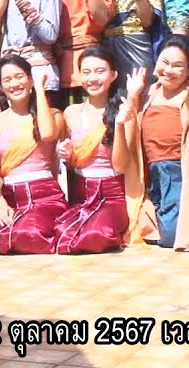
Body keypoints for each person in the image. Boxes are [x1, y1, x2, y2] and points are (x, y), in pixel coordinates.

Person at [127, 37, 189, 250]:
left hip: (186, 172)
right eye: (164, 62)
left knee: (173, 236)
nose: (169, 70)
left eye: (178, 66)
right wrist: (133, 96)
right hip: (157, 175)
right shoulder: (150, 93)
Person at [54, 46, 139, 255]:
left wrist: (118, 125)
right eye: (87, 72)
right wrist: (64, 152)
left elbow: (120, 165)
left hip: (112, 197)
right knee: (61, 231)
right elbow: (73, 161)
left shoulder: (124, 112)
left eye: (100, 71)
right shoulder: (71, 113)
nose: (93, 78)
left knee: (97, 235)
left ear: (113, 75)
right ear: (78, 76)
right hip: (81, 195)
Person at [0, 55, 67, 254]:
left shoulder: (53, 115)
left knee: (28, 233)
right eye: (7, 80)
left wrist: (39, 89)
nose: (14, 84)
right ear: (1, 87)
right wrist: (0, 204)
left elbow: (46, 135)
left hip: (46, 196)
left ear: (30, 78)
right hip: (11, 197)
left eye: (19, 77)